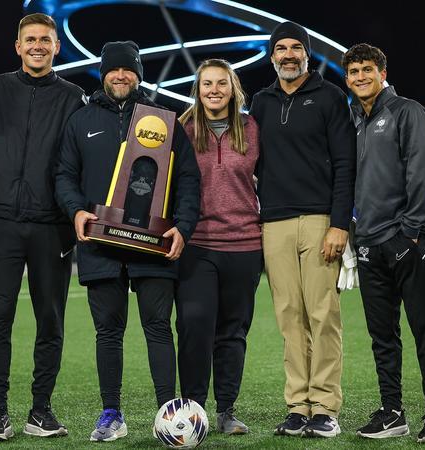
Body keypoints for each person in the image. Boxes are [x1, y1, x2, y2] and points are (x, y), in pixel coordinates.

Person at [55, 40, 200, 442]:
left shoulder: (164, 121)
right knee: (108, 331)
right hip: (100, 243)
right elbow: (64, 175)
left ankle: (168, 414)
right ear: (103, 74)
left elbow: (188, 180)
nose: (121, 76)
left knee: (158, 327)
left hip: (153, 244)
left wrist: (183, 227)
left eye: (129, 70)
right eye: (114, 69)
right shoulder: (80, 120)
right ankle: (111, 414)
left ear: (139, 75)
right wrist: (76, 211)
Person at [0, 13, 85, 440]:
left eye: (45, 40)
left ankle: (41, 410)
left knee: (50, 321)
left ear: (57, 46)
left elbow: (88, 160)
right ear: (17, 46)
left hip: (52, 227)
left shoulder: (74, 97)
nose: (38, 46)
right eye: (30, 39)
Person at [249, 21, 356, 438]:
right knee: (289, 317)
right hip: (273, 223)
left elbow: (346, 164)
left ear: (307, 55)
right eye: (282, 48)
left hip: (319, 222)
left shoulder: (331, 97)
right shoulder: (260, 102)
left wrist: (339, 224)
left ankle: (325, 408)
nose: (289, 55)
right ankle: (298, 406)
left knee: (323, 315)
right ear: (272, 55)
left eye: (297, 48)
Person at [342, 43, 425, 444]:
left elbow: (423, 171)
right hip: (369, 242)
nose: (360, 77)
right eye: (354, 72)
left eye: (367, 69)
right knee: (382, 336)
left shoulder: (407, 112)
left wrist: (412, 231)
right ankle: (392, 412)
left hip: (407, 240)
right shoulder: (353, 120)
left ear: (382, 73)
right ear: (347, 79)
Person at [175, 59, 262, 435]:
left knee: (233, 330)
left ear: (233, 88)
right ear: (197, 89)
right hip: (197, 244)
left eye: (221, 83)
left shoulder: (252, 128)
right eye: (207, 83)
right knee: (194, 325)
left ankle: (227, 410)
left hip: (245, 244)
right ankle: (193, 410)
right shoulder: (181, 129)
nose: (214, 90)